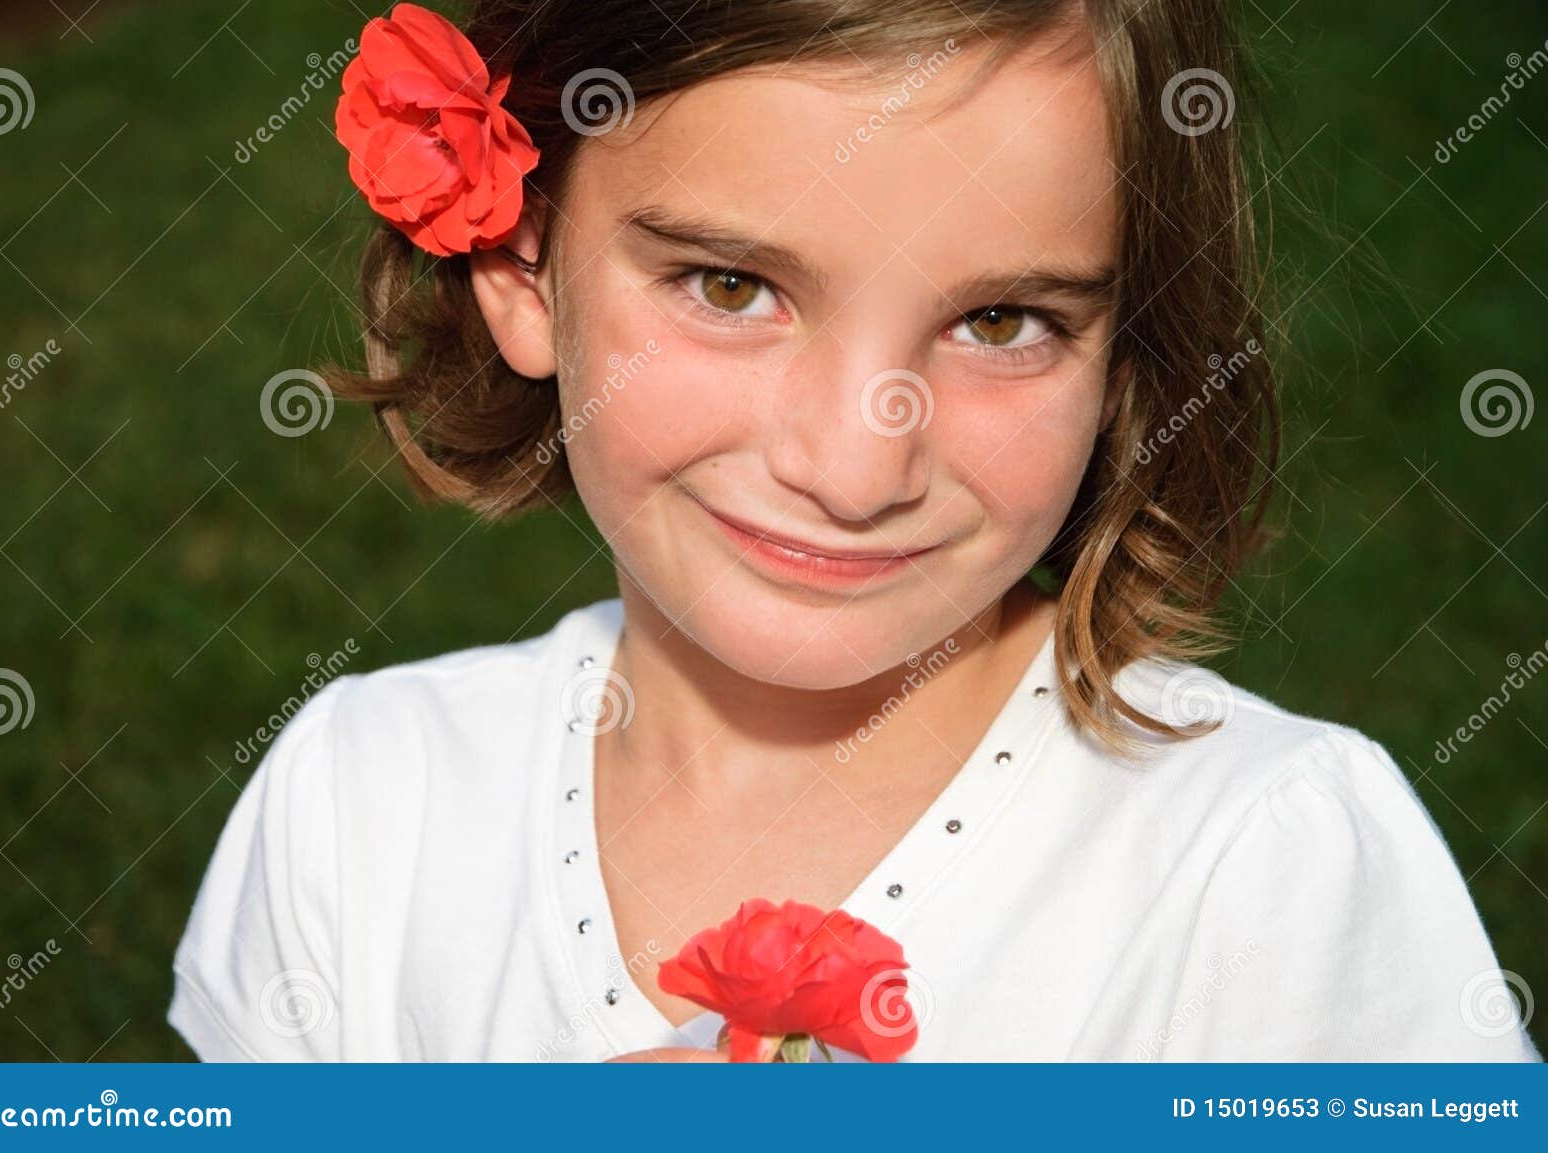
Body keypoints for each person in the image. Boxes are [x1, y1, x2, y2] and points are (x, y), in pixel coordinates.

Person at [168, 0, 1541, 1062]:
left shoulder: (1269, 866)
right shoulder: (363, 814)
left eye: (1002, 322)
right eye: (729, 283)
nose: (853, 461)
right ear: (522, 267)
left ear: (1128, 352)